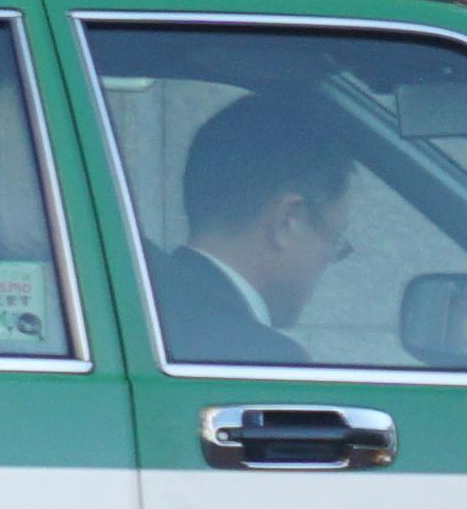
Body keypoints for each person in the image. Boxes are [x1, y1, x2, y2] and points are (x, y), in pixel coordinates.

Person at [151, 94, 356, 366]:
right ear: (288, 220)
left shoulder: (144, 307)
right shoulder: (260, 358)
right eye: (334, 239)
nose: (329, 259)